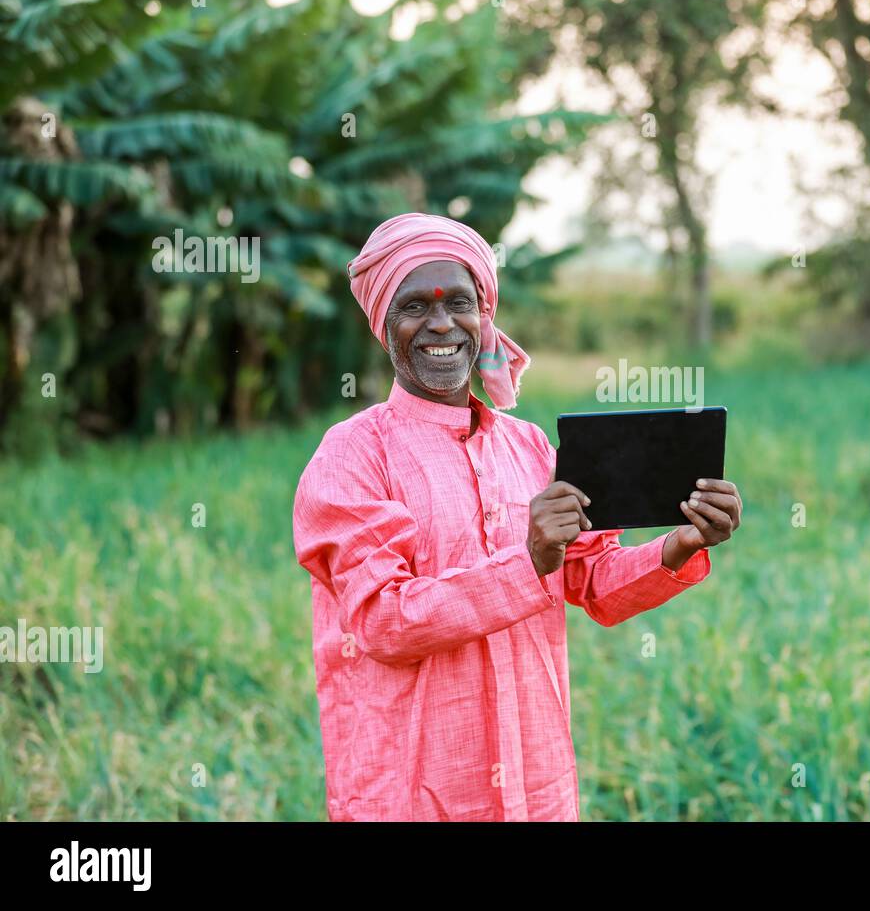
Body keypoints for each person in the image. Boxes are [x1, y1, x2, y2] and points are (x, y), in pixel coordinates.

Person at [292, 213, 743, 820]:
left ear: (485, 317)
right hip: (409, 791)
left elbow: (591, 581)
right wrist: (529, 560)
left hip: (536, 782)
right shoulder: (353, 455)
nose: (442, 324)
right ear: (383, 324)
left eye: (459, 303)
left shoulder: (530, 447)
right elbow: (383, 621)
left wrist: (678, 546)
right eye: (414, 308)